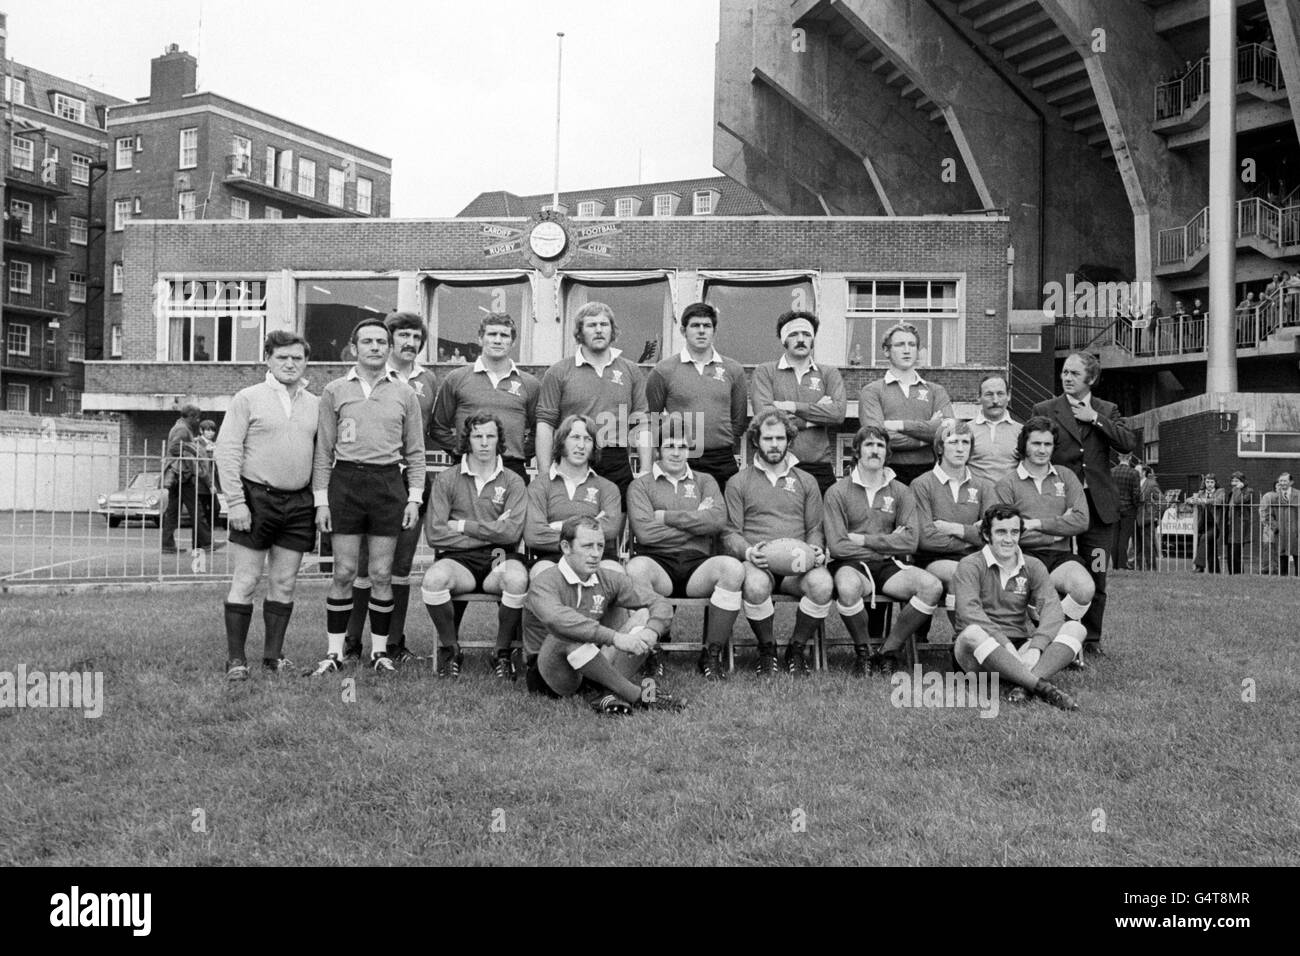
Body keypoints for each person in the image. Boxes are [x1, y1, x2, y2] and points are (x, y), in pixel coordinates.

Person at [307, 317, 425, 675]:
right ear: (353, 348)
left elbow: (416, 452)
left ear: (388, 349)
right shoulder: (334, 391)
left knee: (381, 573)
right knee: (344, 572)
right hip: (346, 482)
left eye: (381, 341)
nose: (375, 347)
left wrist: (414, 498)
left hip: (388, 482)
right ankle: (334, 653)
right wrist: (322, 501)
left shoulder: (404, 392)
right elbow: (323, 452)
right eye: (367, 341)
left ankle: (379, 652)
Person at [214, 331, 319, 681]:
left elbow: (321, 458)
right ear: (268, 360)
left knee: (285, 582)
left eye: (297, 358)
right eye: (282, 358)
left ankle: (273, 657)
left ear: (306, 362)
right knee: (246, 580)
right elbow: (226, 451)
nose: (290, 364)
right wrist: (236, 503)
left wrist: (319, 502)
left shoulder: (314, 403)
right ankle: (236, 660)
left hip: (299, 501)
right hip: (256, 498)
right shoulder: (248, 398)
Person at [343, 311, 439, 665]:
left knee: (400, 565)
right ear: (387, 340)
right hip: (368, 477)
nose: (410, 343)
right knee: (363, 566)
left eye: (417, 337)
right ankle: (352, 640)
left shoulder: (429, 381)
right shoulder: (361, 379)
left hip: (408, 480)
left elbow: (433, 431)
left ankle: (394, 643)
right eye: (403, 336)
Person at [522, 516, 684, 715]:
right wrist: (616, 638)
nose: (596, 554)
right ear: (566, 547)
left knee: (643, 615)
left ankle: (604, 693)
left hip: (592, 661)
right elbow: (559, 621)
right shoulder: (544, 582)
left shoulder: (605, 578)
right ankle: (636, 695)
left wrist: (652, 631)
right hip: (552, 674)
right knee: (566, 633)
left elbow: (659, 602)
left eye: (600, 546)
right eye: (587, 546)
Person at [1031, 351, 1135, 654]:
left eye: (1074, 374)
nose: (1066, 378)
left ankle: (1090, 639)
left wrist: (1096, 420)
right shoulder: (1045, 409)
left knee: (1097, 573)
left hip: (1099, 511)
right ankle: (1049, 630)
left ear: (1091, 379)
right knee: (1049, 571)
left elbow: (1127, 443)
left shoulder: (1107, 410)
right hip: (1058, 506)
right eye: (1064, 372)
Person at [625, 428, 745, 681]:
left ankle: (711, 653)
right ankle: (651, 650)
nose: (677, 452)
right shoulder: (640, 486)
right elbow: (645, 534)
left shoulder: (705, 481)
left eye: (682, 446)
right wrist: (695, 525)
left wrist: (666, 518)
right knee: (636, 569)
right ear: (658, 450)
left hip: (697, 564)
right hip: (657, 562)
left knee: (732, 569)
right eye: (670, 446)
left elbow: (717, 522)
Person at [824, 425, 943, 676]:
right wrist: (889, 540)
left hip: (887, 564)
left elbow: (910, 541)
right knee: (847, 587)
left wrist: (863, 541)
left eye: (880, 445)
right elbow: (837, 545)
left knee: (931, 587)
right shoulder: (837, 491)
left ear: (887, 452)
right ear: (856, 451)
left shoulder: (901, 490)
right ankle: (864, 652)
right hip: (850, 564)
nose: (875, 450)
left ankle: (889, 650)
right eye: (869, 445)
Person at [722, 408, 832, 676]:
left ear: (789, 440)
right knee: (756, 586)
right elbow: (729, 533)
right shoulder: (738, 482)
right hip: (760, 562)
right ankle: (767, 649)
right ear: (756, 441)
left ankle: (796, 649)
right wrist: (748, 552)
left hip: (798, 563)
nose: (774, 445)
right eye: (768, 438)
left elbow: (815, 527)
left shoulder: (806, 481)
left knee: (823, 584)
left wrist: (816, 548)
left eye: (780, 438)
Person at [420, 413, 529, 680]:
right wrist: (493, 530)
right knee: (434, 580)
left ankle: (501, 652)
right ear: (467, 439)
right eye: (477, 436)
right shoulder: (447, 478)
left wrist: (462, 525)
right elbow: (435, 533)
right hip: (459, 559)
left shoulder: (513, 480)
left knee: (515, 579)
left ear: (499, 440)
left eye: (490, 436)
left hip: (498, 556)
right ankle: (450, 650)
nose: (484, 442)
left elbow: (512, 531)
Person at [951, 505, 1081, 712]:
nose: (1009, 539)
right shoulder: (970, 564)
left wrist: (1036, 647)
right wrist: (1005, 645)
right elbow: (969, 612)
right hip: (977, 650)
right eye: (1001, 532)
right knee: (972, 633)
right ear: (986, 534)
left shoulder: (1033, 565)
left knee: (1075, 628)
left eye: (1014, 532)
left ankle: (1023, 684)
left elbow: (1052, 608)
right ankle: (1041, 687)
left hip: (1020, 644)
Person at [535, 301, 650, 500]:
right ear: (579, 332)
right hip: (573, 457)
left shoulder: (631, 371)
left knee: (612, 527)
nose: (598, 330)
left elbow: (642, 425)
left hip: (616, 459)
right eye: (591, 325)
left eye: (604, 325)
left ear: (613, 331)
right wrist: (545, 474)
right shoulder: (558, 372)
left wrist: (646, 470)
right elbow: (545, 425)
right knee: (572, 527)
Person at [993, 417, 1094, 641]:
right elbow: (1007, 532)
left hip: (1060, 556)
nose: (1042, 450)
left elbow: (1081, 520)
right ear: (1024, 446)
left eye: (1047, 444)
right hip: (1022, 557)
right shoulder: (1007, 484)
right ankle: (1059, 637)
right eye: (1036, 444)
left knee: (1084, 588)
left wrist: (1036, 524)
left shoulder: (1066, 476)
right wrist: (1059, 529)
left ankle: (1051, 627)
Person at [644, 301, 748, 491]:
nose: (701, 331)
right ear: (683, 331)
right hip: (682, 457)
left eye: (707, 326)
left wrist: (719, 442)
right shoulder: (663, 371)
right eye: (695, 325)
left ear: (714, 331)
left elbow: (738, 420)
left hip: (722, 460)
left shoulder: (733, 369)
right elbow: (654, 419)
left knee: (723, 517)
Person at [430, 312, 540, 485]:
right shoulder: (456, 378)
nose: (498, 340)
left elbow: (540, 429)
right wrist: (462, 449)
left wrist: (518, 453)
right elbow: (438, 426)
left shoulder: (530, 384)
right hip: (467, 467)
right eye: (492, 334)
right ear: (480, 339)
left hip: (512, 469)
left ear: (513, 342)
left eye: (504, 335)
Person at [749, 310, 847, 495]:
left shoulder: (829, 373)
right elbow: (766, 418)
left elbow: (838, 414)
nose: (801, 339)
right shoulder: (765, 371)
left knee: (820, 523)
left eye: (807, 334)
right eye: (794, 334)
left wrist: (791, 407)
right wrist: (815, 417)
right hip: (777, 465)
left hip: (819, 466)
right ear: (783, 339)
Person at [910, 420, 996, 625]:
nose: (960, 448)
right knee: (961, 573)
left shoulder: (984, 486)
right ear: (940, 447)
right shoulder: (922, 484)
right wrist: (971, 536)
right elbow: (925, 538)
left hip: (976, 558)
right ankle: (963, 638)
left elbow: (993, 535)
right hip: (932, 559)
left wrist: (954, 529)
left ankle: (990, 639)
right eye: (953, 442)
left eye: (965, 442)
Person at [524, 413, 623, 577]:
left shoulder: (608, 488)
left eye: (588, 439)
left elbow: (610, 529)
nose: (581, 445)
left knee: (617, 572)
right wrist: (589, 530)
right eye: (575, 437)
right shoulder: (539, 486)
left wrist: (558, 526)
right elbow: (534, 535)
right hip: (552, 558)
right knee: (540, 573)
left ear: (594, 447)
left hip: (596, 558)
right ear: (561, 441)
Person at [858, 322, 954, 485]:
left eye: (912, 345)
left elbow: (948, 432)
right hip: (887, 471)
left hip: (930, 471)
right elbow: (876, 437)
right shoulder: (871, 391)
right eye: (900, 344)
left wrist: (900, 425)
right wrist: (927, 436)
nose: (907, 350)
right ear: (886, 351)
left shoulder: (936, 391)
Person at [160, 403, 213, 554]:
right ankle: (208, 542)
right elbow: (174, 448)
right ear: (190, 416)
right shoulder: (182, 429)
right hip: (183, 475)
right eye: (196, 418)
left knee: (172, 512)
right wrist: (193, 449)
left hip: (178, 475)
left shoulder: (179, 427)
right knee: (196, 509)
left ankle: (167, 545)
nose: (198, 421)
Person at [967, 374, 1021, 486]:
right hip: (976, 499)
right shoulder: (966, 431)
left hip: (1009, 499)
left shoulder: (1021, 431)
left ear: (1009, 396)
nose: (995, 400)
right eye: (989, 394)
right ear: (979, 397)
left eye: (1000, 394)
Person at [1259, 472, 1298, 576]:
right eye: (1280, 481)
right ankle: (1283, 576)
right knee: (1281, 553)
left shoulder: (1298, 495)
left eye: (1285, 481)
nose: (1282, 483)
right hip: (1280, 531)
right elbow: (1268, 514)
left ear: (1291, 482)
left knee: (1297, 553)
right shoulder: (1273, 497)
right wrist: (1275, 526)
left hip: (1295, 530)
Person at [1189, 473, 1225, 573]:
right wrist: (1191, 500)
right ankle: (1215, 571)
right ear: (1204, 483)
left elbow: (1218, 501)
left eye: (1211, 482)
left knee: (1204, 538)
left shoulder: (1220, 491)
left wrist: (1203, 500)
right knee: (1211, 548)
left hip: (1215, 526)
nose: (1209, 484)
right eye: (1207, 482)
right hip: (1202, 525)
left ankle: (1199, 566)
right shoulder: (1201, 493)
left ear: (1215, 483)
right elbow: (1191, 500)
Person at [1110, 453, 1141, 571]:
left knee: (1114, 538)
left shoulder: (1111, 472)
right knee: (1124, 538)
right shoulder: (1134, 473)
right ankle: (1122, 564)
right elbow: (1136, 493)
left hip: (1114, 508)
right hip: (1128, 509)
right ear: (1130, 458)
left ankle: (1115, 565)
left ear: (1118, 458)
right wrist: (1136, 506)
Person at [1134, 464, 1163, 572]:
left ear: (1143, 472)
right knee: (1137, 545)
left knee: (1148, 545)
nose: (1135, 473)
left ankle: (1151, 568)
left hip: (1147, 518)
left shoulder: (1151, 484)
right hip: (1135, 518)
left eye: (1137, 471)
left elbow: (1162, 500)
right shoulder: (1134, 483)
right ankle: (1140, 568)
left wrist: (1156, 516)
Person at [1225, 471, 1254, 575]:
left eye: (1236, 481)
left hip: (1240, 525)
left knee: (1236, 552)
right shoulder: (1231, 492)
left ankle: (1238, 574)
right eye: (1232, 480)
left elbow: (1237, 501)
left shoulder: (1248, 491)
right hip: (1230, 525)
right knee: (1230, 552)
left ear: (1242, 481)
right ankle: (1231, 573)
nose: (1234, 483)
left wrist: (1237, 488)